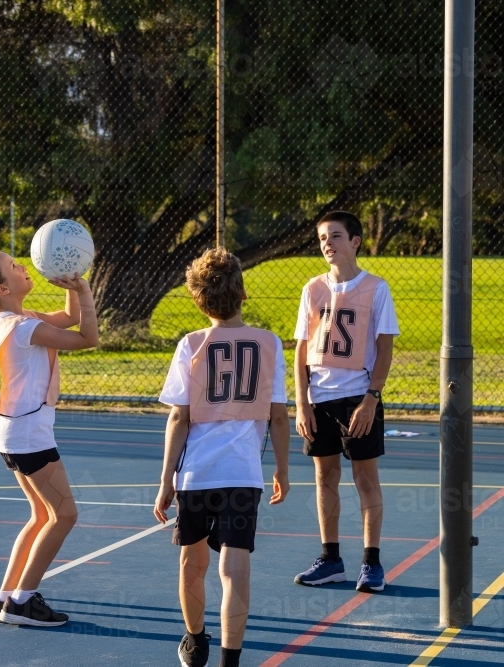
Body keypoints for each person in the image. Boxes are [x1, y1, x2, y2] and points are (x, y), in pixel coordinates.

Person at [154, 247, 290, 667]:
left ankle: (195, 642)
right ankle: (231, 660)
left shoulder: (191, 344)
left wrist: (165, 480)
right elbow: (279, 417)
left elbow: (179, 416)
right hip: (243, 475)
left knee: (192, 565)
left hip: (196, 474)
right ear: (243, 293)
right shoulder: (268, 343)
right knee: (234, 570)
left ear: (198, 300)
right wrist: (282, 468)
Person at [0, 246, 98, 627]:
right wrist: (86, 291)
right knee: (65, 514)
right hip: (27, 434)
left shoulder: (19, 320)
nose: (24, 267)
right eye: (14, 267)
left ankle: (4, 596)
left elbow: (69, 317)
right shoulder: (24, 328)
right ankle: (23, 601)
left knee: (41, 514)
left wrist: (71, 280)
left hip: (13, 432)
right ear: (3, 289)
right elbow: (88, 337)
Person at [292, 210, 399, 593]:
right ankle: (331, 558)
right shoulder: (313, 289)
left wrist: (371, 400)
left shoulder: (376, 288)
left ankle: (371, 563)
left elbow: (384, 349)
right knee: (325, 477)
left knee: (365, 478)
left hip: (358, 398)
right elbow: (301, 350)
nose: (327, 243)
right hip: (319, 398)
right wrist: (302, 402)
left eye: (335, 236)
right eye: (322, 237)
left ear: (354, 241)